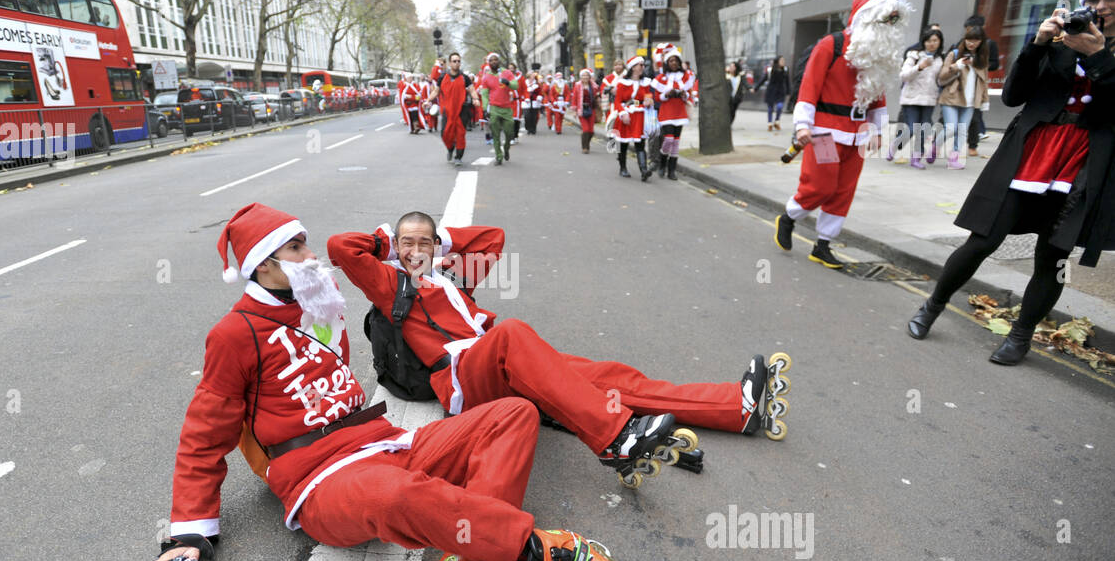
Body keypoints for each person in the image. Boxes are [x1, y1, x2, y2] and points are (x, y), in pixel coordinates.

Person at [147, 203, 673, 561]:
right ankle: (551, 556)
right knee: (396, 494)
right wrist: (187, 539)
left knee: (512, 414)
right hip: (320, 479)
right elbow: (202, 436)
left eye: (306, 243)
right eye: (296, 247)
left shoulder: (314, 307)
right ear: (264, 265)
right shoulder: (234, 333)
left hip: (385, 442)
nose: (311, 255)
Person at [328, 213, 790, 480]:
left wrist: (441, 239)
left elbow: (493, 239)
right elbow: (340, 247)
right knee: (511, 332)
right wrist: (388, 243)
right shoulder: (392, 287)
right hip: (464, 379)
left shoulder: (451, 275)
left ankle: (734, 406)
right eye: (406, 244)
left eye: (422, 242)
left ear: (436, 246)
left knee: (608, 377)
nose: (414, 250)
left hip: (501, 362)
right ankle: (615, 439)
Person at [908, 0, 1115, 365]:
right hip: (1032, 152)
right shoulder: (1057, 42)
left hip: (1083, 161)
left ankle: (1021, 335)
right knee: (983, 239)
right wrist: (1036, 44)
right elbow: (1017, 94)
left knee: (1053, 256)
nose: (1104, 6)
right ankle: (932, 305)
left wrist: (1099, 57)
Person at [774, 0, 912, 268]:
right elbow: (809, 85)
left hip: (859, 134)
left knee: (844, 190)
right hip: (825, 131)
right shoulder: (831, 44)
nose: (889, 27)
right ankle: (789, 216)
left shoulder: (880, 54)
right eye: (887, 20)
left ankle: (822, 245)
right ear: (869, 17)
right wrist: (802, 125)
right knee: (821, 185)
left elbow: (878, 94)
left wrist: (877, 129)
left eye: (894, 22)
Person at [936, 25, 990, 167]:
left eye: (975, 40)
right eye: (969, 40)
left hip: (970, 102)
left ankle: (953, 159)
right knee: (951, 128)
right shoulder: (954, 54)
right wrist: (957, 65)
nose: (971, 43)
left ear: (981, 42)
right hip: (952, 98)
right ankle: (935, 147)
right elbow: (941, 77)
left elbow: (984, 82)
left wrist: (984, 100)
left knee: (962, 131)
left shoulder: (982, 59)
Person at [894, 28, 944, 168]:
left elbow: (940, 81)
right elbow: (904, 76)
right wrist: (919, 67)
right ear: (924, 42)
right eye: (929, 41)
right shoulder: (914, 55)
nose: (932, 44)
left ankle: (916, 159)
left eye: (935, 41)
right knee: (911, 128)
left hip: (929, 99)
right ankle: (895, 145)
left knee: (924, 130)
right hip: (911, 98)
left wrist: (952, 72)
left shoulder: (940, 59)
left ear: (940, 42)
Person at [651, 43, 693, 180]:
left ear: (679, 62)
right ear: (667, 63)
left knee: (676, 141)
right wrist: (667, 94)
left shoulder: (685, 77)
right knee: (668, 139)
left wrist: (683, 94)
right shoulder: (661, 78)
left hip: (680, 111)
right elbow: (657, 97)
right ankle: (662, 164)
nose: (674, 63)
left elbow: (689, 94)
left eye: (676, 60)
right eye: (671, 61)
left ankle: (672, 170)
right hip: (666, 111)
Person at [609, 55, 654, 180]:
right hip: (626, 114)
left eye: (643, 65)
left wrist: (648, 100)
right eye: (640, 65)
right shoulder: (623, 82)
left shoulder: (646, 82)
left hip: (640, 115)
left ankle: (644, 170)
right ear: (633, 68)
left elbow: (648, 95)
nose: (643, 67)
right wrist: (623, 113)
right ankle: (623, 168)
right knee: (623, 144)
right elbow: (617, 101)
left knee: (640, 143)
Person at [431, 52, 475, 167]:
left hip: (462, 111)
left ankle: (458, 157)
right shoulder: (442, 77)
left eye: (458, 61)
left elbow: (472, 90)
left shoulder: (465, 78)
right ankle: (450, 148)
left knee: (460, 135)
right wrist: (427, 100)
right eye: (454, 61)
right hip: (447, 111)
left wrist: (475, 99)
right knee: (445, 134)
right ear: (450, 63)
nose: (456, 63)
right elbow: (436, 91)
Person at [964, 14, 1001, 150]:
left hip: (978, 83)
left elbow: (994, 64)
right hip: (961, 84)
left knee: (975, 114)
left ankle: (973, 143)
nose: (969, 32)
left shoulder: (989, 44)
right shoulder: (962, 44)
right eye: (967, 29)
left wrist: (978, 64)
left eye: (971, 28)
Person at [475, 52, 517, 165]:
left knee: (509, 133)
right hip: (494, 108)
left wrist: (507, 83)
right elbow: (484, 94)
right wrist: (485, 109)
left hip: (507, 108)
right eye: (491, 60)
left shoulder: (507, 73)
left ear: (499, 61)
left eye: (495, 60)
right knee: (496, 134)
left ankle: (506, 148)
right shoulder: (486, 77)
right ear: (488, 63)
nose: (494, 62)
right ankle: (499, 156)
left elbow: (515, 85)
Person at [571, 68, 600, 154]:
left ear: (589, 77)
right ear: (581, 77)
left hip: (591, 109)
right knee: (586, 129)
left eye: (587, 75)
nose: (585, 77)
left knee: (591, 131)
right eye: (583, 75)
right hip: (581, 109)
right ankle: (585, 147)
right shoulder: (577, 85)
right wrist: (574, 110)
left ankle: (587, 143)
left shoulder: (594, 86)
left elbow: (598, 96)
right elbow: (574, 98)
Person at [758, 55, 789, 132]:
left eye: (783, 60)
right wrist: (755, 88)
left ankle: (777, 121)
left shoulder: (785, 70)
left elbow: (787, 82)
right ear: (777, 62)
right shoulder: (770, 70)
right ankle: (770, 124)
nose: (783, 62)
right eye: (781, 60)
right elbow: (763, 79)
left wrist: (789, 91)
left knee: (779, 106)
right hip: (771, 91)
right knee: (770, 108)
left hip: (780, 91)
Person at [521, 68, 543, 136]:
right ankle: (528, 128)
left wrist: (539, 97)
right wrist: (523, 97)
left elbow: (540, 92)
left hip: (534, 101)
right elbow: (521, 91)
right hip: (526, 101)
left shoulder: (537, 84)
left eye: (533, 75)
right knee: (527, 116)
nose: (533, 76)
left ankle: (533, 129)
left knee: (534, 116)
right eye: (532, 75)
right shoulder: (524, 83)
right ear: (529, 76)